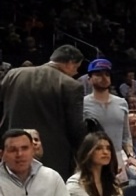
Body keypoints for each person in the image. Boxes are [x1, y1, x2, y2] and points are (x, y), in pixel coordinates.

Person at [0, 44, 87, 179]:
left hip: (12, 153)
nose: (75, 73)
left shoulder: (13, 74)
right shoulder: (71, 85)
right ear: (70, 63)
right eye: (76, 68)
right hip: (54, 160)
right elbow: (75, 128)